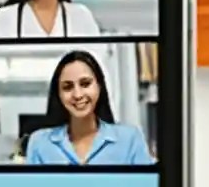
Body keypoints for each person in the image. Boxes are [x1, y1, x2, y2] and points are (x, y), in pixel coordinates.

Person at [25, 50, 155, 165]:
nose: (77, 94)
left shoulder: (130, 139)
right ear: (58, 94)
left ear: (99, 86)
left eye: (85, 84)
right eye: (67, 87)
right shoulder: (39, 143)